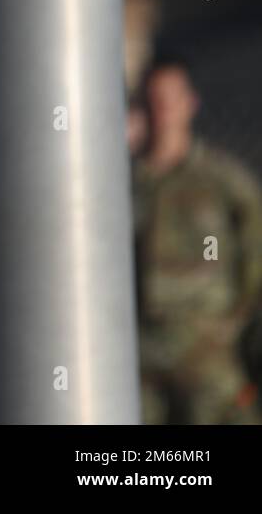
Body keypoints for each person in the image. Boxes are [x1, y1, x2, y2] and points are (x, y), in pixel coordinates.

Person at [132, 54, 262, 424]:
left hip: (209, 352)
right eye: (153, 101)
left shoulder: (225, 184)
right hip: (138, 356)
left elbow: (255, 268)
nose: (163, 113)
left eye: (171, 100)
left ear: (190, 104)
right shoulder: (121, 188)